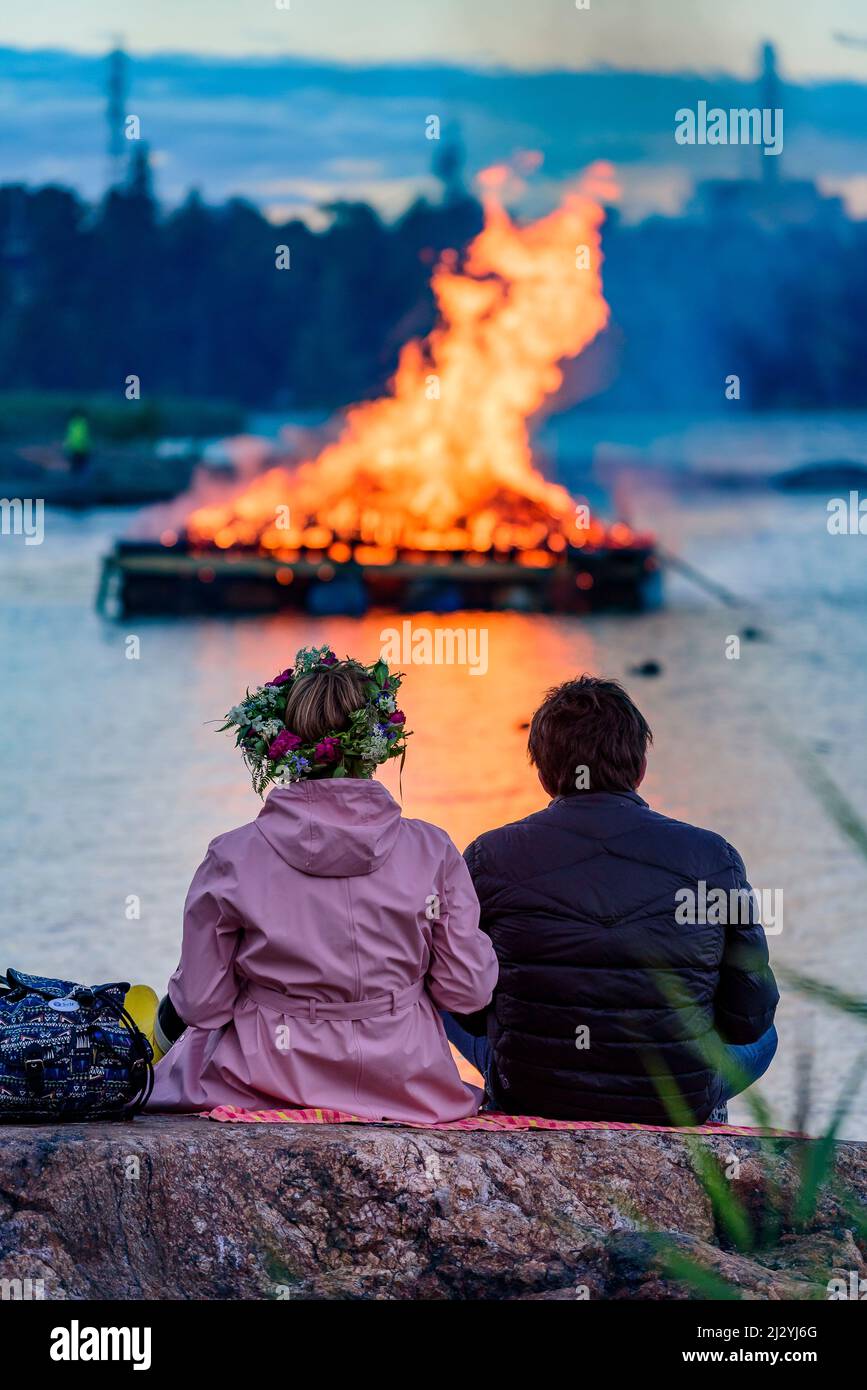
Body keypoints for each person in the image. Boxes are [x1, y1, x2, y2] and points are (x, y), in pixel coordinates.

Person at [132, 646, 498, 1122]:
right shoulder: (432, 851)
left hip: (260, 1079)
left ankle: (144, 1040)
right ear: (379, 744)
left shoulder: (233, 855)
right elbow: (467, 992)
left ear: (286, 743)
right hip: (406, 1081)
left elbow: (202, 1002)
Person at [442, 675, 779, 1125]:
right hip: (676, 1098)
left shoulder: (490, 854)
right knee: (767, 1038)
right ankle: (709, 1118)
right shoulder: (713, 857)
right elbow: (748, 1019)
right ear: (639, 768)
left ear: (542, 772)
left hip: (533, 1089)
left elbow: (466, 1007)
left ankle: (503, 1099)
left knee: (441, 992)